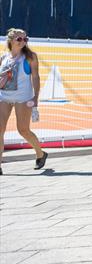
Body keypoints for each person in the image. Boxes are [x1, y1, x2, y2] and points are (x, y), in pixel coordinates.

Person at [0, 29, 46, 174]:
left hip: (23, 98)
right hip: (4, 97)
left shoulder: (30, 57)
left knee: (23, 130)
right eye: (19, 39)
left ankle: (40, 154)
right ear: (11, 40)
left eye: (25, 39)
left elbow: (36, 77)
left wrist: (35, 97)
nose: (23, 42)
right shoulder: (4, 58)